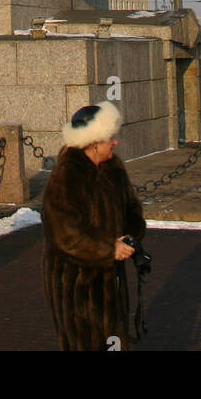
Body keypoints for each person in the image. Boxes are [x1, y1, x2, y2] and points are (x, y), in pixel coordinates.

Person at [41, 101, 146, 352]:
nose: (115, 142)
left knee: (114, 340)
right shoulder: (66, 174)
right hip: (76, 281)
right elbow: (65, 233)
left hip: (111, 278)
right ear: (94, 142)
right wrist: (108, 248)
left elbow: (132, 209)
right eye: (109, 138)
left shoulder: (114, 168)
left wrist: (130, 238)